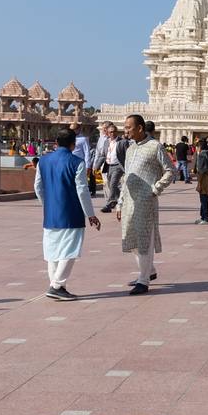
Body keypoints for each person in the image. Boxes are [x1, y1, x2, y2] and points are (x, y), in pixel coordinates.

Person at [33, 128, 101, 300]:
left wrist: (47, 204)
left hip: (51, 214)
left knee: (52, 252)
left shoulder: (43, 160)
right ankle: (56, 286)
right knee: (70, 250)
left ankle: (56, 285)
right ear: (74, 144)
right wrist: (91, 214)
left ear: (56, 142)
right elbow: (82, 191)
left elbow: (37, 187)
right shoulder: (77, 162)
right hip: (71, 213)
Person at [115, 113, 176, 295]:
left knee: (144, 239)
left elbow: (171, 170)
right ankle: (149, 270)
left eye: (128, 127)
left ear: (140, 128)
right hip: (128, 202)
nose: (125, 130)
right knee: (130, 238)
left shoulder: (155, 146)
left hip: (145, 201)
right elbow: (126, 177)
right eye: (125, 127)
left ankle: (143, 280)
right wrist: (119, 202)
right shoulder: (130, 149)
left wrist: (156, 189)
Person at [93, 122, 124, 213]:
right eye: (110, 132)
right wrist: (96, 166)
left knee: (113, 183)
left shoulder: (122, 142)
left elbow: (127, 155)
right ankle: (121, 200)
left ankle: (109, 204)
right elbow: (102, 155)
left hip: (118, 166)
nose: (112, 133)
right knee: (110, 185)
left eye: (114, 132)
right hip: (108, 165)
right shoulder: (106, 141)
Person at [194, 138, 208, 224]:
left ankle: (205, 218)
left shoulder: (202, 155)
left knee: (203, 198)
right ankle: (202, 216)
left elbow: (201, 170)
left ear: (200, 147)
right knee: (204, 197)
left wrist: (199, 182)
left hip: (203, 178)